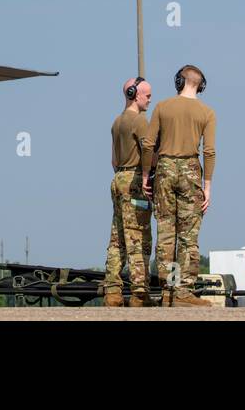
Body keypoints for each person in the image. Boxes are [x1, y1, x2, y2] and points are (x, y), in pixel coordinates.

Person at [141, 64, 215, 307]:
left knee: (166, 234)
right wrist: (207, 186)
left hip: (164, 169)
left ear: (179, 82)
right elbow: (209, 151)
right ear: (200, 86)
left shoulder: (162, 106)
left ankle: (167, 291)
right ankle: (183, 292)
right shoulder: (207, 112)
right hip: (191, 171)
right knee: (188, 236)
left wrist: (145, 176)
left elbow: (149, 145)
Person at [102, 77, 153, 307]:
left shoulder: (116, 122)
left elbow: (113, 160)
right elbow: (148, 152)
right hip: (134, 181)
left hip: (118, 179)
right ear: (134, 93)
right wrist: (147, 176)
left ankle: (112, 291)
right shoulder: (140, 122)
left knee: (117, 238)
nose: (150, 99)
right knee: (138, 236)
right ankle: (139, 293)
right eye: (147, 95)